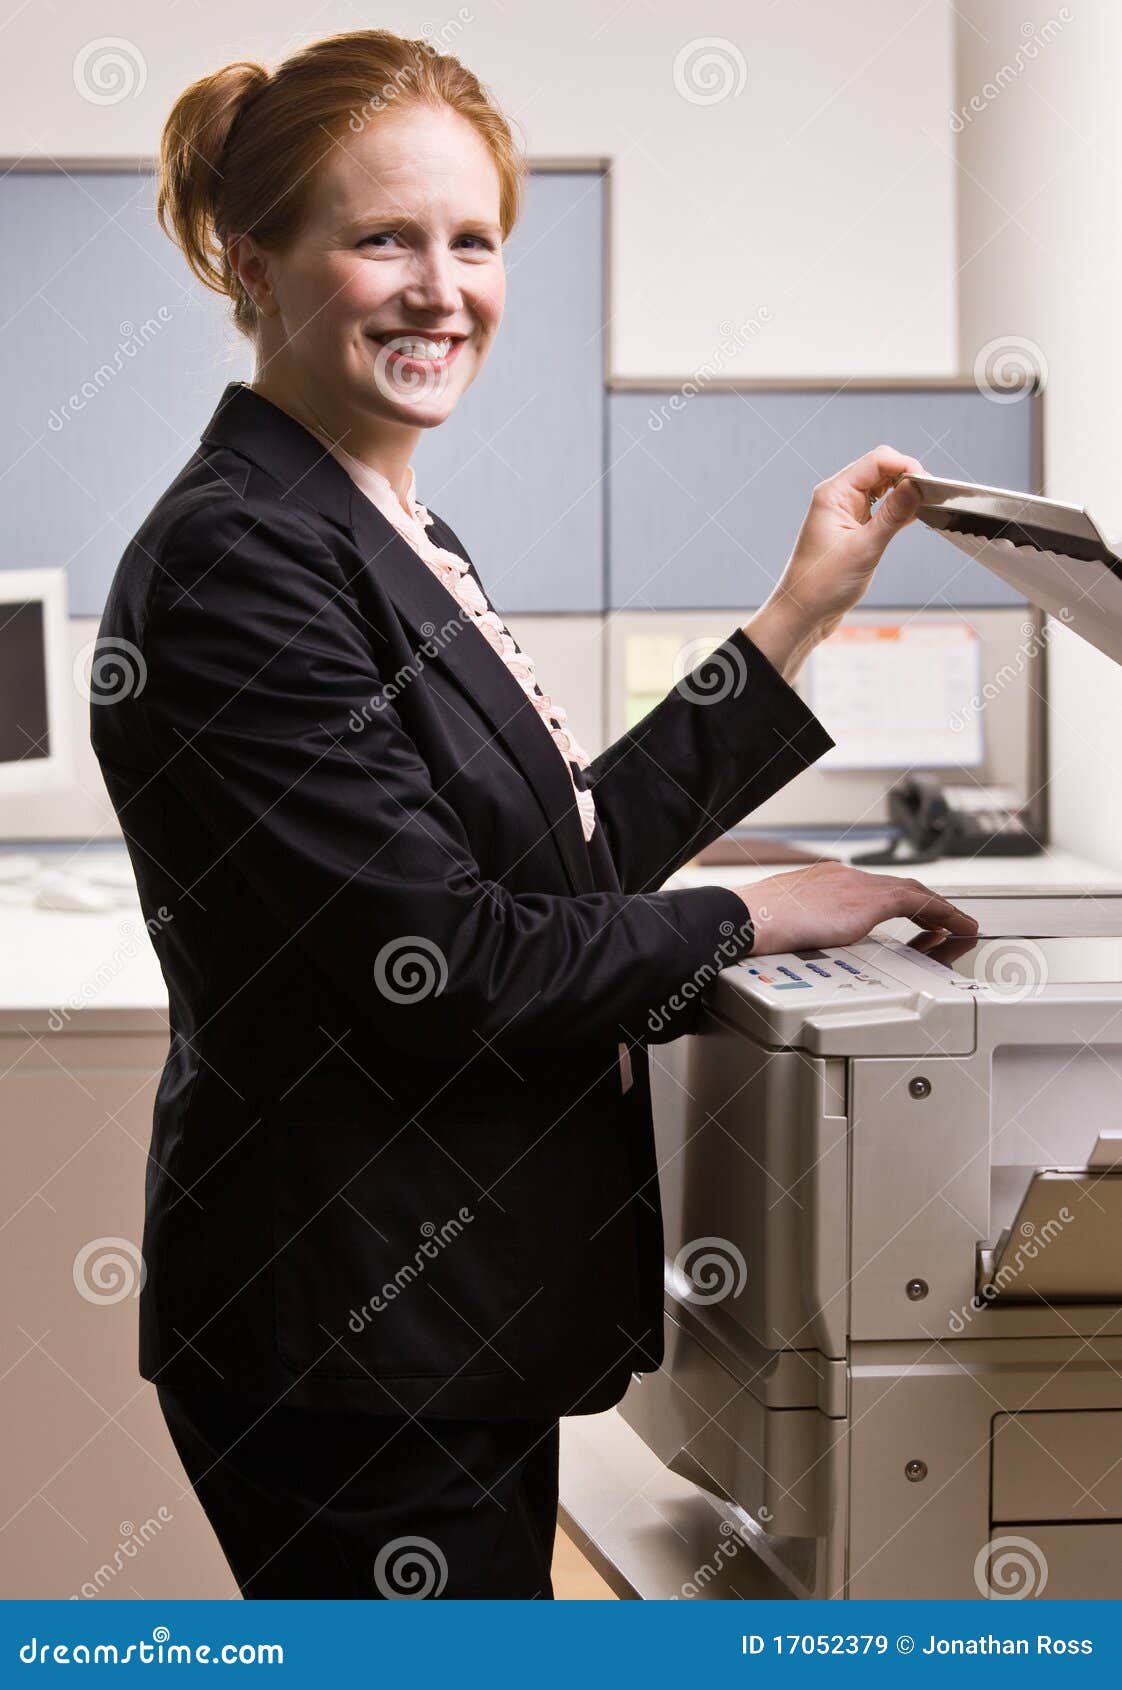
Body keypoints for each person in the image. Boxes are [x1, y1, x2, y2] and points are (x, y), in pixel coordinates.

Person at [89, 28, 978, 1600]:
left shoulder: (385, 523)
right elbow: (445, 960)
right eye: (381, 238)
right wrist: (755, 914)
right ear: (255, 258)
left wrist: (792, 618)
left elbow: (553, 862)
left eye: (472, 240)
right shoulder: (246, 556)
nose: (441, 288)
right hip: (352, 1338)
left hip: (436, 1327)